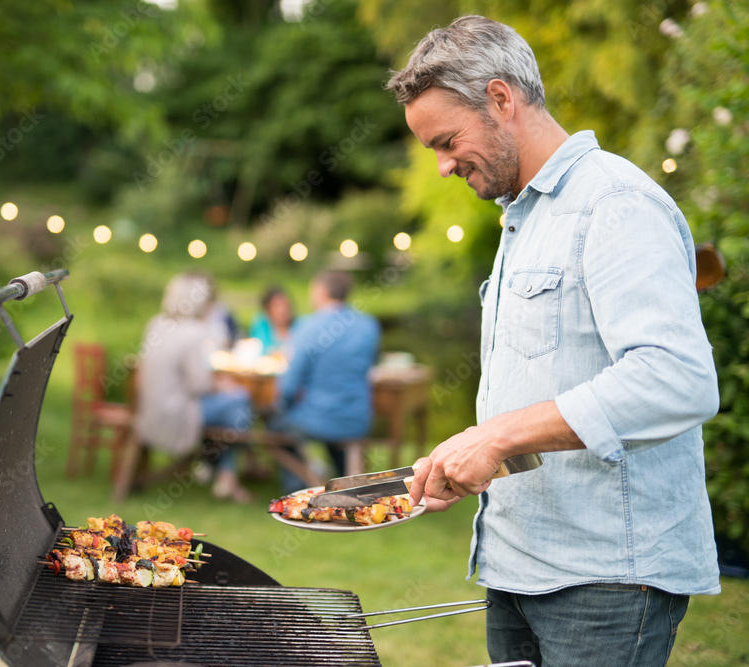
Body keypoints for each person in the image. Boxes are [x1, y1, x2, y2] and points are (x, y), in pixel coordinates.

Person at [386, 15, 720, 666]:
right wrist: (474, 454)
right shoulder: (522, 220)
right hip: (519, 566)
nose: (443, 165)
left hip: (605, 579)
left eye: (446, 141)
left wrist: (496, 437)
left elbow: (675, 378)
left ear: (501, 99)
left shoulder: (614, 203)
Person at [133, 271, 254, 502]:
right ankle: (229, 474)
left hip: (149, 411)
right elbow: (200, 385)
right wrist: (222, 387)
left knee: (235, 408)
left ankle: (226, 475)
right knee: (240, 400)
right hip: (179, 414)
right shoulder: (194, 333)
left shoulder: (156, 325)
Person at [269, 270, 380, 493]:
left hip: (319, 418)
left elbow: (289, 385)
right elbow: (372, 363)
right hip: (358, 418)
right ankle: (340, 483)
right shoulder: (368, 325)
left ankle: (301, 485)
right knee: (335, 429)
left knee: (274, 425)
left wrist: (283, 404)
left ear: (322, 291)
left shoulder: (308, 326)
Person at [247, 286, 296, 356]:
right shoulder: (261, 325)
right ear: (267, 309)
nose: (282, 310)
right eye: (277, 306)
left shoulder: (299, 326)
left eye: (285, 305)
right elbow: (253, 349)